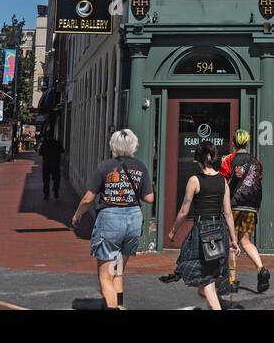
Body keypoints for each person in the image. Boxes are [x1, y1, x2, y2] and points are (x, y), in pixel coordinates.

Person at [71, 129, 153, 310]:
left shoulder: (104, 167)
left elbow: (88, 198)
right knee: (117, 272)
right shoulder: (141, 167)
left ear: (113, 146)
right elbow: (149, 198)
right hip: (133, 220)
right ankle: (119, 306)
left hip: (110, 220)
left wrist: (78, 215)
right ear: (134, 145)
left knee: (105, 276)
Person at [168, 140, 240, 310]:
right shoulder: (223, 181)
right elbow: (228, 213)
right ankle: (214, 303)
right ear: (213, 158)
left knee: (206, 279)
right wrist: (233, 238)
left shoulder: (194, 180)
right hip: (219, 228)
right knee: (208, 278)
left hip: (203, 231)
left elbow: (184, 211)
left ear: (198, 160)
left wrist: (173, 231)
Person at [219, 129, 269, 294]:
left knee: (232, 243)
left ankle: (232, 281)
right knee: (246, 241)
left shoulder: (228, 160)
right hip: (251, 206)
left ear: (233, 142)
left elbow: (223, 181)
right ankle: (261, 269)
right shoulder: (256, 162)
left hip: (233, 205)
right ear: (247, 143)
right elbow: (257, 179)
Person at [40, 132, 63, 200]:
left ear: (47, 136)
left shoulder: (44, 143)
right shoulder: (57, 142)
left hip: (46, 164)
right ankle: (56, 191)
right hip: (55, 164)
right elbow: (62, 150)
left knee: (46, 180)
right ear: (53, 136)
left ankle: (46, 195)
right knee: (56, 178)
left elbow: (40, 153)